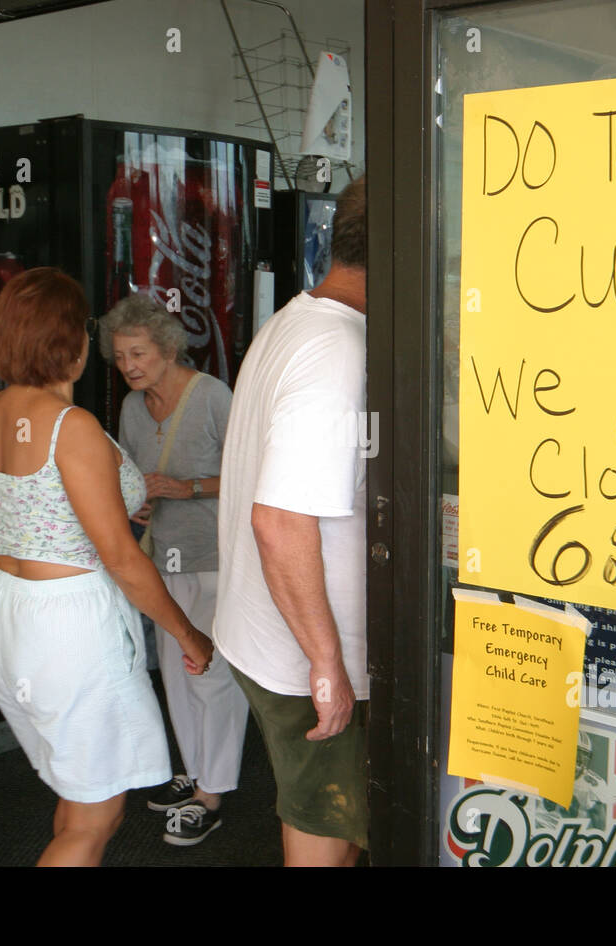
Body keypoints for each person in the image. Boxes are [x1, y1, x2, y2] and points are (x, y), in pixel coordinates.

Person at [0, 267, 213, 867]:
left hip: (8, 612)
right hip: (71, 625)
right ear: (69, 342)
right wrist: (188, 633)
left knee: (79, 796)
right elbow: (122, 558)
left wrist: (11, 608)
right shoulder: (70, 428)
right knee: (97, 817)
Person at [213, 174, 369, 867]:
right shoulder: (337, 349)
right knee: (322, 822)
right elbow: (277, 519)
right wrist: (328, 663)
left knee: (318, 810)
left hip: (270, 638)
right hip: (302, 658)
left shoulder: (296, 319)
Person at [102, 293, 247, 847]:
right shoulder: (133, 409)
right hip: (162, 557)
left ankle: (213, 793)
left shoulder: (212, 397)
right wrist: (138, 502)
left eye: (137, 353)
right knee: (177, 676)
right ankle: (195, 770)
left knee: (210, 675)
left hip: (215, 557)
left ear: (167, 349)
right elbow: (133, 477)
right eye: (119, 357)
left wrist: (190, 488)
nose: (129, 366)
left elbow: (252, 473)